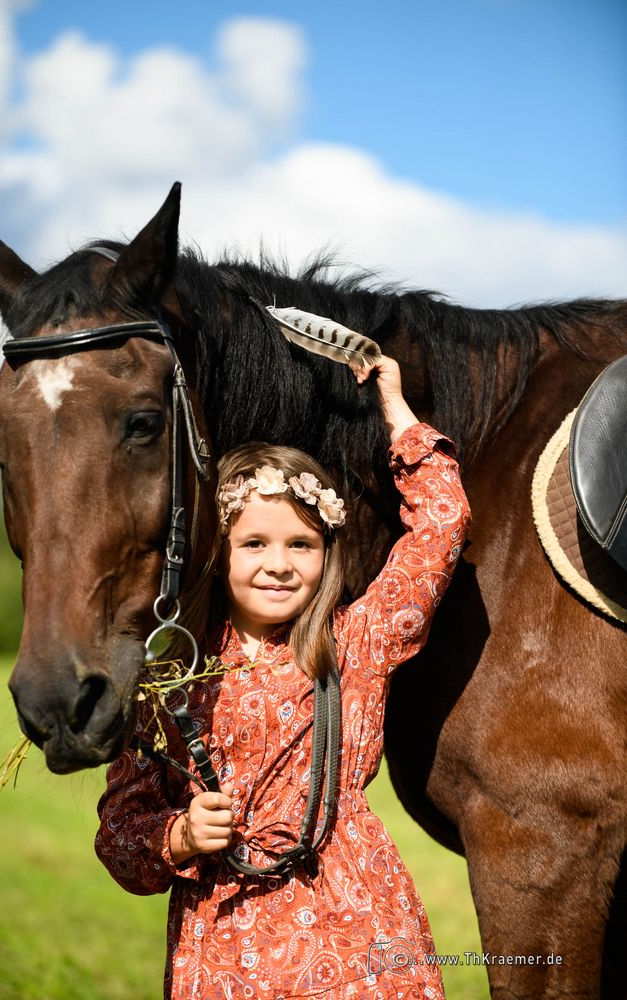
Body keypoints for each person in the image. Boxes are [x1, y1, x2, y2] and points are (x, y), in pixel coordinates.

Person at [95, 356, 471, 999]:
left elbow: (442, 524)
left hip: (363, 937)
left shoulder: (357, 642)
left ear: (326, 555)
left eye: (301, 544)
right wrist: (179, 835)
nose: (279, 564)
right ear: (221, 553)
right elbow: (119, 836)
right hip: (228, 955)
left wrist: (395, 409)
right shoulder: (170, 679)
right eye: (255, 544)